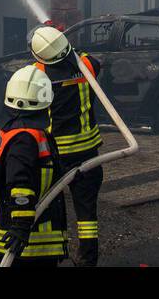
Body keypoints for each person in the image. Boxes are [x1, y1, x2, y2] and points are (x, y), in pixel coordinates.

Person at [30, 22, 104, 266]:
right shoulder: (87, 65)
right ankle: (87, 259)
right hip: (88, 153)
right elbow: (83, 55)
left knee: (48, 206)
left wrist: (46, 37)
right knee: (86, 213)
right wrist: (58, 38)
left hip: (55, 155)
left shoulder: (38, 73)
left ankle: (49, 255)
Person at [0, 64, 67, 266]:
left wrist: (66, 174)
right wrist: (21, 225)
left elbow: (40, 169)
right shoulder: (25, 138)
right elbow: (19, 182)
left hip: (18, 234)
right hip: (30, 240)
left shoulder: (11, 130)